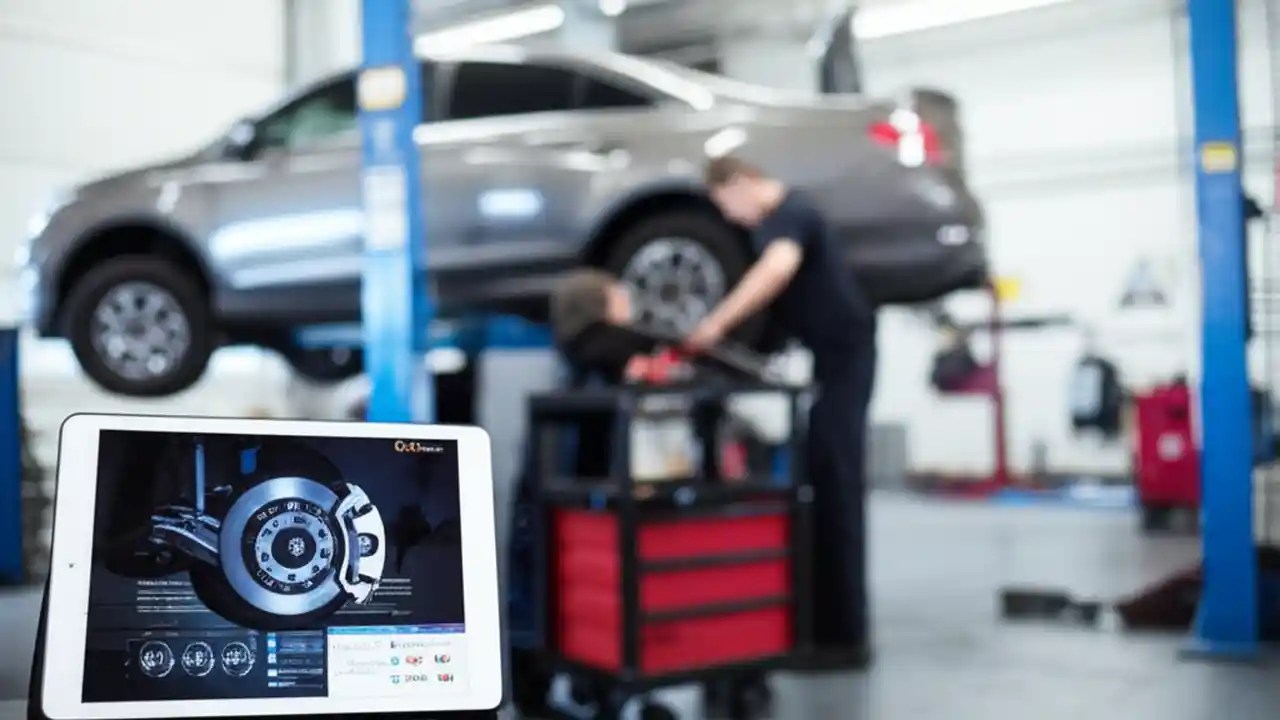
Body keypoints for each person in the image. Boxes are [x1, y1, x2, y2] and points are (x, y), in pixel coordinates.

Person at [692, 154, 878, 666]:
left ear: (741, 183)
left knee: (837, 482)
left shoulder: (793, 212)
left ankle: (846, 642)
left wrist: (715, 323)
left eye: (726, 204)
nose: (729, 218)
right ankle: (820, 631)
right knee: (816, 481)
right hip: (824, 366)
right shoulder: (774, 223)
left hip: (845, 362)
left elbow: (776, 272)